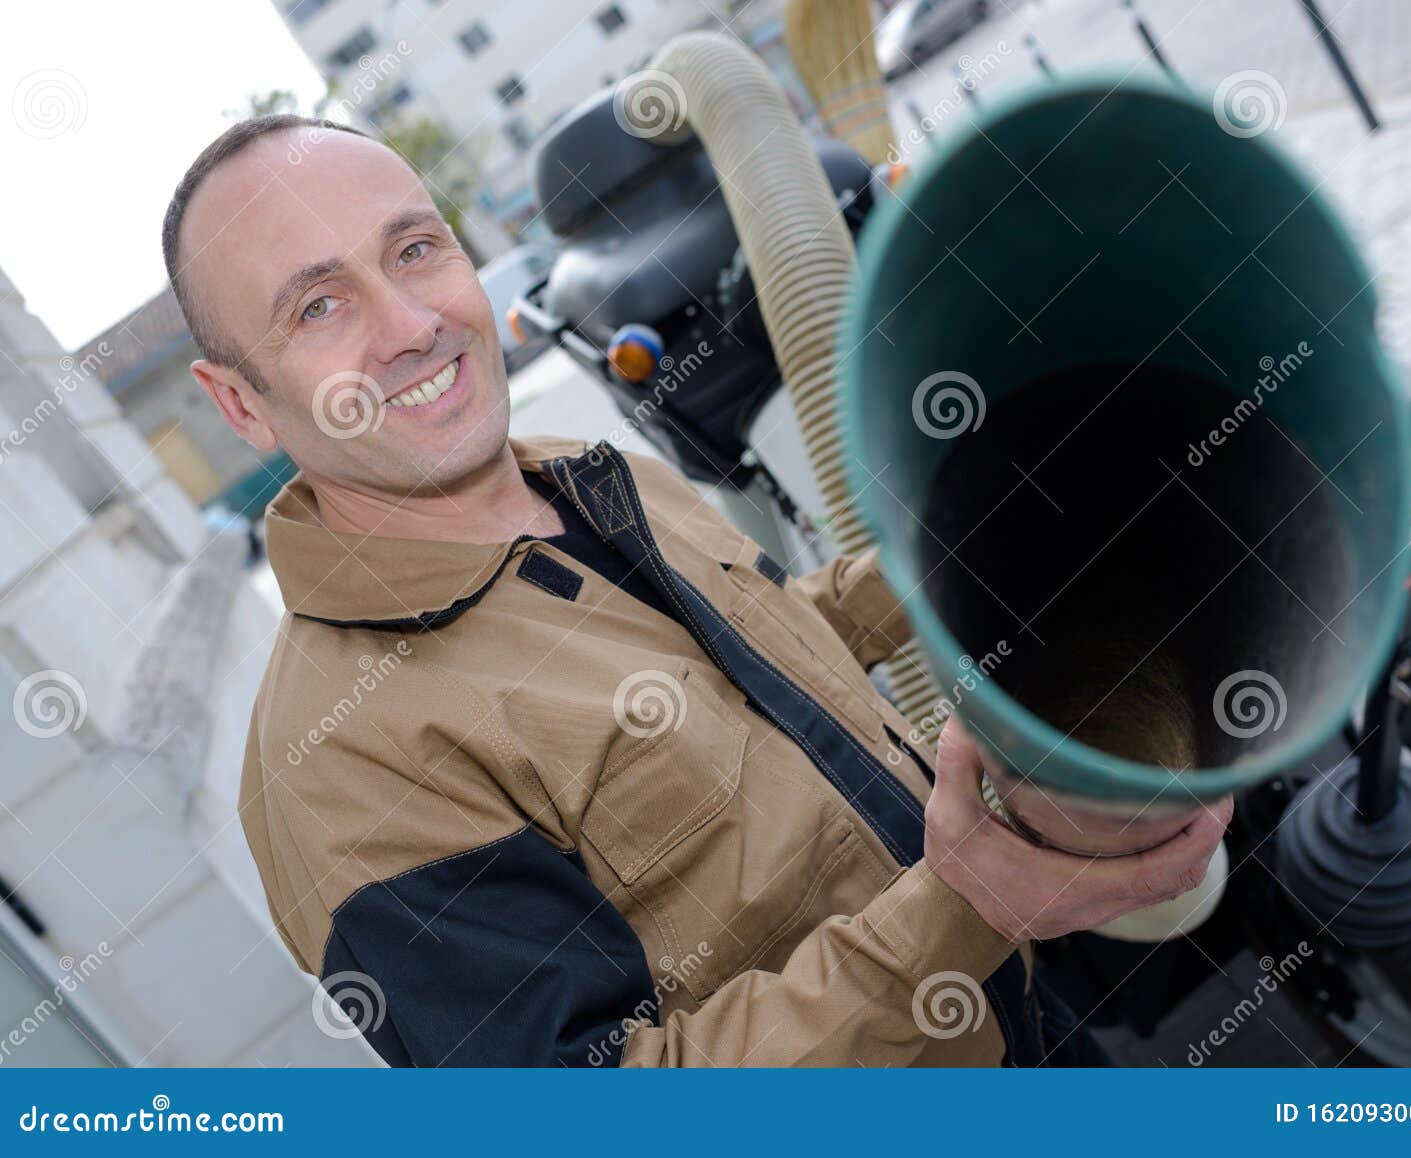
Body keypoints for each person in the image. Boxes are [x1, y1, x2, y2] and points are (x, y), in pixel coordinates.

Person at [164, 114, 1231, 1067]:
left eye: (414, 249)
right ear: (240, 405)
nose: (408, 325)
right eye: (317, 307)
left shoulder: (587, 472)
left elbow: (756, 654)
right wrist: (972, 901)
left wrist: (967, 548)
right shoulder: (338, 772)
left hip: (1031, 1026)